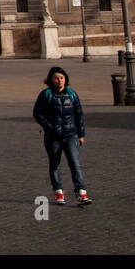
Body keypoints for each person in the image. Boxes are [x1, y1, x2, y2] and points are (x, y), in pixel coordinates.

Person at [32, 66, 90, 205]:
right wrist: (49, 127)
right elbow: (37, 113)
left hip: (71, 134)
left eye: (62, 78)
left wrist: (81, 134)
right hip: (53, 137)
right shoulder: (46, 94)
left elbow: (79, 114)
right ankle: (59, 192)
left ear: (66, 79)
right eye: (56, 78)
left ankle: (81, 192)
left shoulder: (72, 94)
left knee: (75, 163)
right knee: (55, 164)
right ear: (51, 80)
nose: (59, 81)